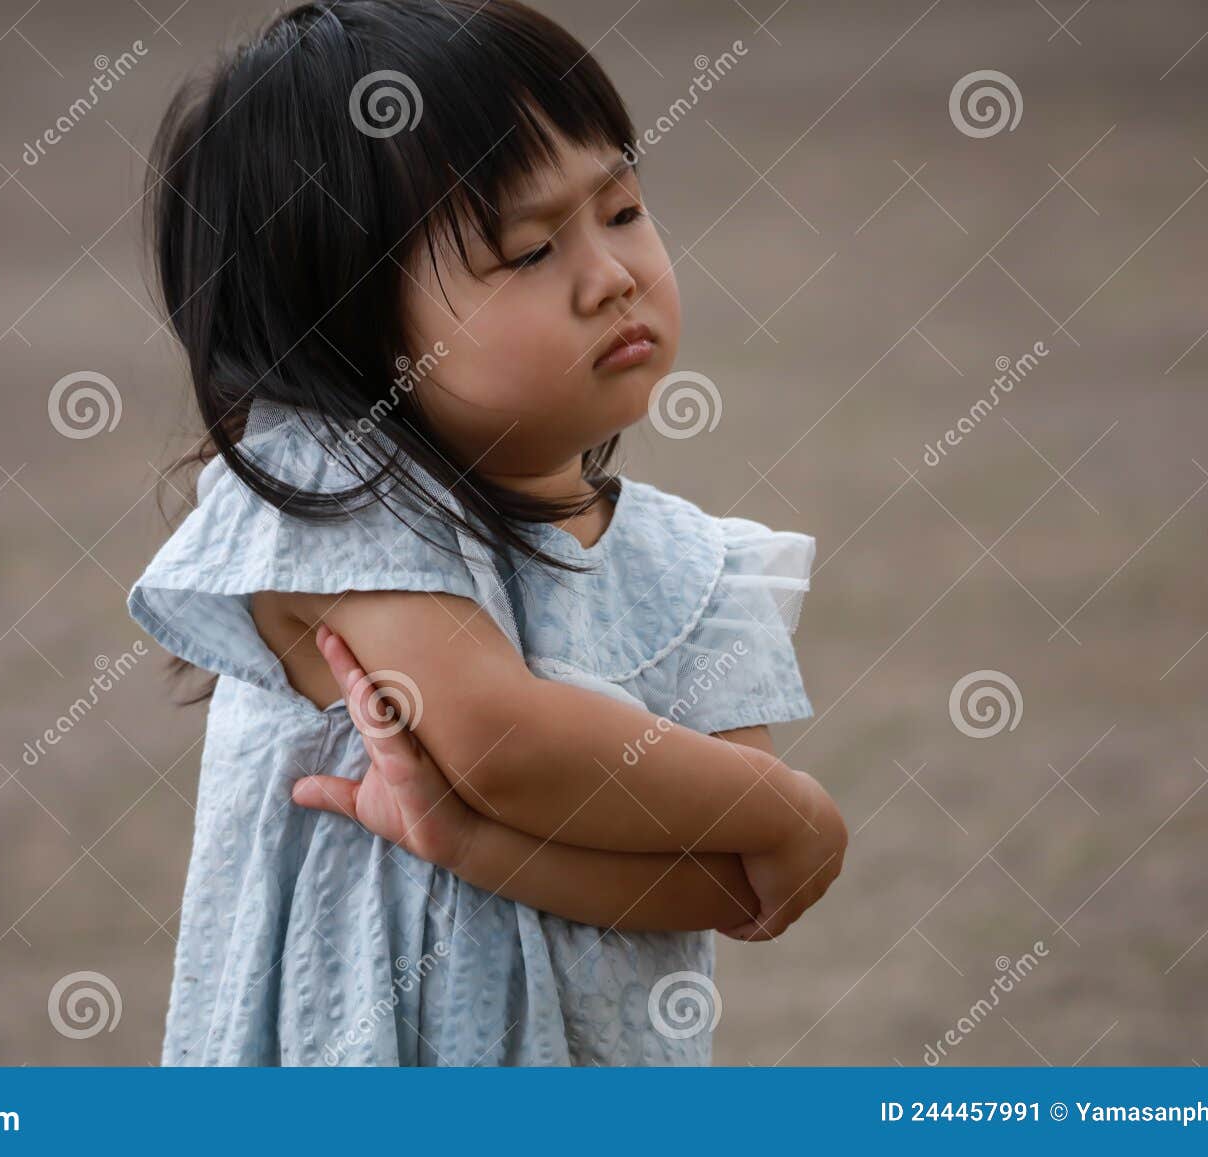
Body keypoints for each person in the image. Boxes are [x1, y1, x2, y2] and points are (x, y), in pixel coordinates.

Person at [127, 0, 846, 1066]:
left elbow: (729, 878)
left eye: (622, 208)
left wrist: (470, 844)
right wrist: (799, 813)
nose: (611, 274)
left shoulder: (692, 568)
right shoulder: (327, 496)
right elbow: (499, 738)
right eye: (526, 249)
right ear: (344, 324)